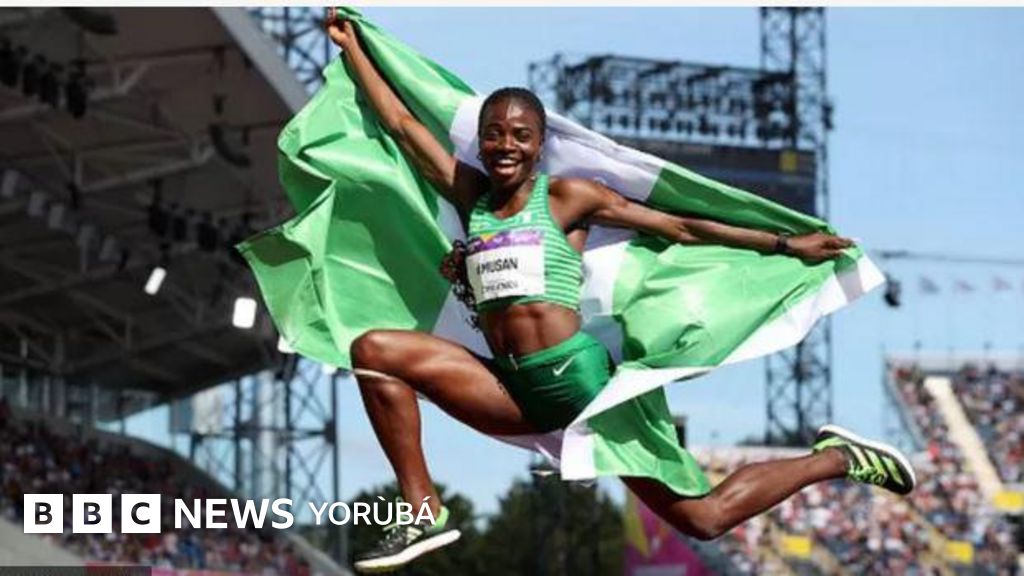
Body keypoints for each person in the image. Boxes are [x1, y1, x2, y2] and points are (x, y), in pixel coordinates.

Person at [325, 11, 916, 574]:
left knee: (706, 519)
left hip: (582, 387)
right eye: (494, 135)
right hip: (511, 388)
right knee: (373, 350)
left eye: (521, 136)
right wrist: (355, 50)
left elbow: (680, 226)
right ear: (479, 143)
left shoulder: (567, 198)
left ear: (539, 145)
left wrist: (784, 244)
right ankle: (423, 510)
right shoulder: (470, 198)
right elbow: (402, 125)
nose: (506, 145)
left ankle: (836, 458)